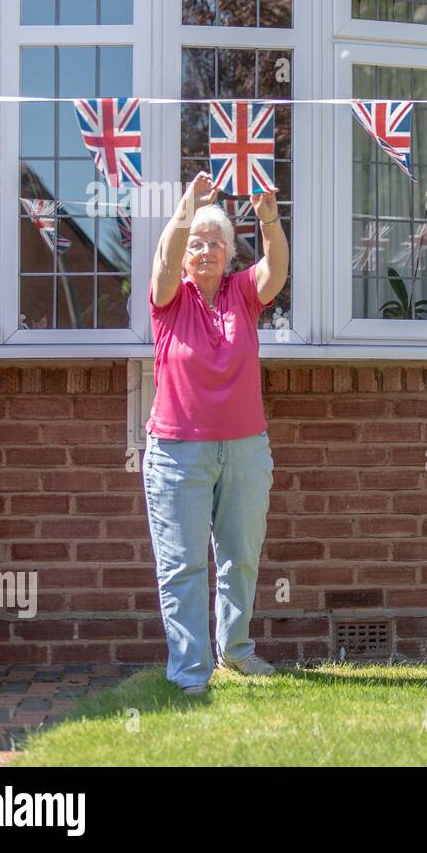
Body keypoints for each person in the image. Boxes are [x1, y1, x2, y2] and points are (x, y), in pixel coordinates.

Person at [142, 171, 290, 694]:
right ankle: (189, 673)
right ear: (186, 253)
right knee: (182, 566)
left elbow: (274, 271)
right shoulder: (169, 298)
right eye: (197, 243)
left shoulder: (242, 294)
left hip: (246, 448)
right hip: (178, 452)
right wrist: (186, 209)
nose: (206, 250)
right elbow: (162, 261)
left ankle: (236, 651)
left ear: (230, 253)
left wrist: (269, 218)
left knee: (240, 558)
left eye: (217, 242)